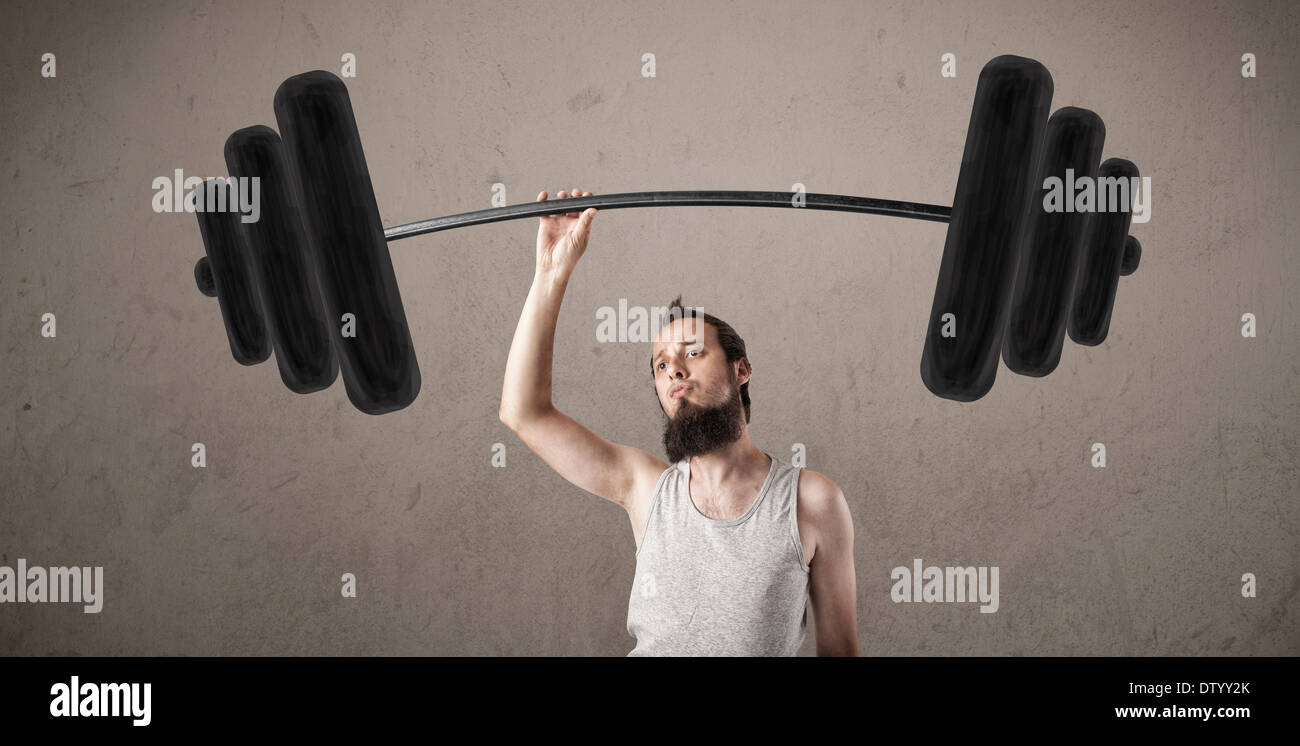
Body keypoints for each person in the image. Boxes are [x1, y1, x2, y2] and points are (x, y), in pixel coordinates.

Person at [499, 189, 859, 656]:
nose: (675, 370)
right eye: (661, 365)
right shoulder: (645, 488)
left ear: (741, 369)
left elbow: (841, 652)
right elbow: (523, 412)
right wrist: (551, 273)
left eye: (692, 352)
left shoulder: (811, 500)